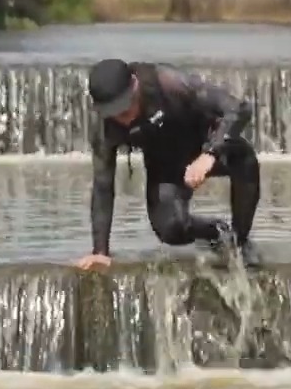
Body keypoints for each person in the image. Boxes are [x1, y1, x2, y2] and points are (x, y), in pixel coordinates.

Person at [72, 58, 262, 271]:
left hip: (206, 141)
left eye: (125, 110)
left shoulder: (170, 83)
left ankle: (240, 240)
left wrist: (210, 153)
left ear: (135, 85)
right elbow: (102, 185)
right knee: (170, 230)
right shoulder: (105, 127)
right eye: (113, 114)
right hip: (166, 163)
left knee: (245, 160)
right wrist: (100, 251)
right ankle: (217, 232)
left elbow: (240, 109)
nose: (122, 120)